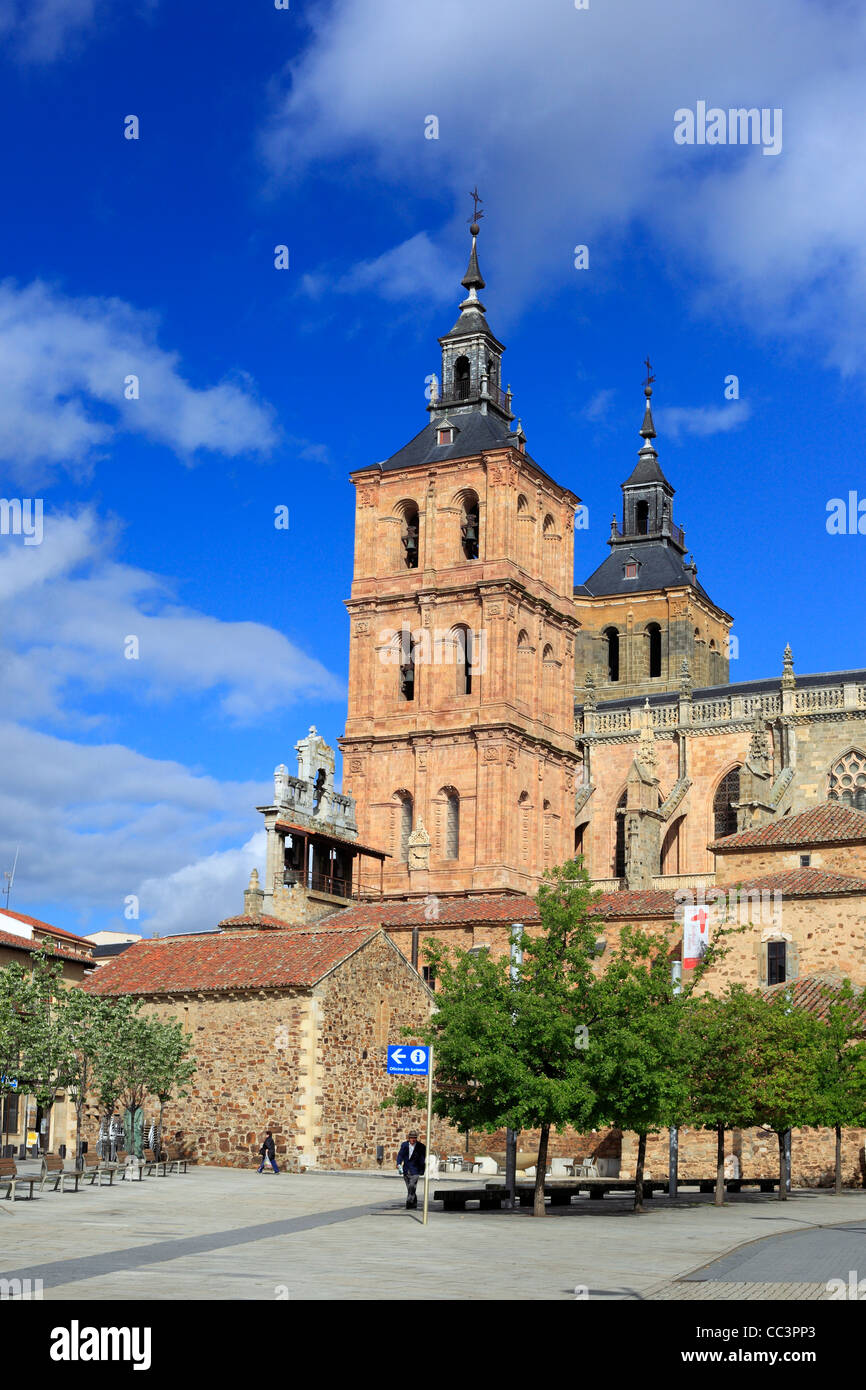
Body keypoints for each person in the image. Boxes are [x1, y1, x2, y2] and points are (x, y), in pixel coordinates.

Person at [396, 1130, 426, 1208]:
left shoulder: (421, 1147)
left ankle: (409, 1201)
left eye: (414, 1138)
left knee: (412, 1185)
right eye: (411, 1138)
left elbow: (423, 1159)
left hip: (416, 1170)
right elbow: (400, 1155)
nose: (413, 1139)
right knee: (410, 1188)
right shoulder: (404, 1145)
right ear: (408, 1138)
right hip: (406, 1170)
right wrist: (398, 1163)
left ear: (416, 1138)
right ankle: (414, 1202)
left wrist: (422, 1170)